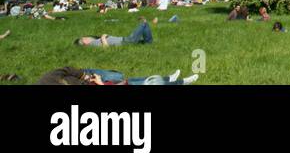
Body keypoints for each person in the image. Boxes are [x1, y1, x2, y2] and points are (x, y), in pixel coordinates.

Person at [37, 66, 198, 85]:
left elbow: (66, 69)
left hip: (91, 79)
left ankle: (168, 78)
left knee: (130, 81)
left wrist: (84, 76)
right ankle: (180, 82)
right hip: (98, 85)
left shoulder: (47, 79)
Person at [75, 18, 153, 47]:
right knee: (144, 24)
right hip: (125, 42)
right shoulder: (92, 44)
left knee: (145, 27)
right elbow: (106, 48)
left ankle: (148, 42)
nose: (87, 37)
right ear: (84, 42)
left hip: (124, 40)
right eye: (84, 38)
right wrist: (103, 37)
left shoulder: (94, 42)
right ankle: (148, 41)